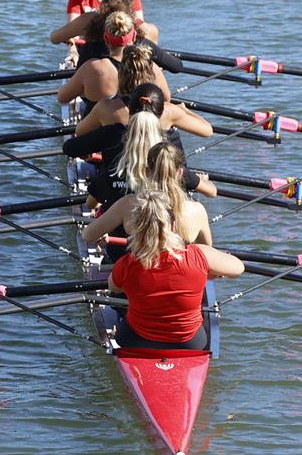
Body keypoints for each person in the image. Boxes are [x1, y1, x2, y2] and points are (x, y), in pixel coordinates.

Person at [105, 192, 243, 351]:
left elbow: (114, 287)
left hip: (136, 340)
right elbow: (238, 268)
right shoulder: (199, 255)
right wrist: (209, 273)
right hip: (190, 342)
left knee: (122, 325)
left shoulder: (126, 264)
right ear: (173, 225)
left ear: (134, 227)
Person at [63, 82, 210, 205]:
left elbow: (69, 148)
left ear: (130, 110)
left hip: (119, 220)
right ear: (160, 113)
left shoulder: (114, 136)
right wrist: (198, 181)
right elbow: (212, 191)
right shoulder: (169, 152)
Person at [84, 138, 216, 249]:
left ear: (146, 171)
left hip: (141, 275)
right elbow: (206, 251)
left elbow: (88, 235)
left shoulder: (129, 204)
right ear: (180, 173)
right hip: (180, 276)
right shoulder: (197, 210)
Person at [55, 3, 170, 105]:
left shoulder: (92, 68)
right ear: (134, 36)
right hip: (138, 126)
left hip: (97, 126)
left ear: (105, 38)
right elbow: (166, 98)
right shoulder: (151, 67)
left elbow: (62, 98)